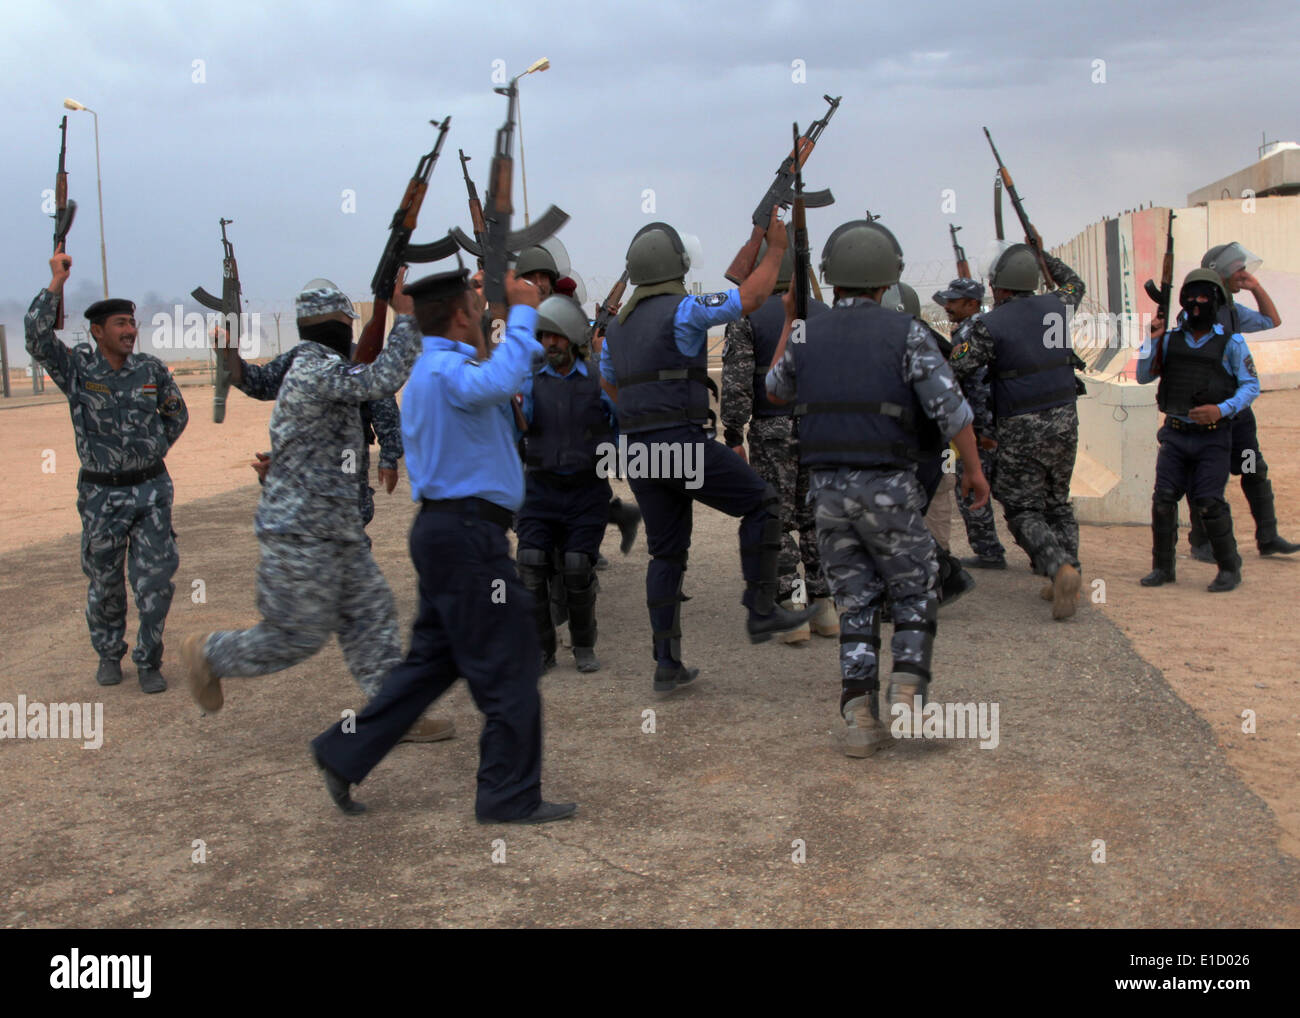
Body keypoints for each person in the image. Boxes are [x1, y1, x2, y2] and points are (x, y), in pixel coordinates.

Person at [309, 268, 576, 824]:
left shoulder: (436, 369)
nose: (483, 318)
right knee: (512, 659)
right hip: (467, 540)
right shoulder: (448, 369)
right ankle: (507, 795)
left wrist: (503, 312)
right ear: (459, 317)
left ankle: (344, 751)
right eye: (476, 310)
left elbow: (505, 382)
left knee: (431, 664)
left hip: (448, 537)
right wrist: (524, 309)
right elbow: (501, 383)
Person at [181, 277, 452, 739]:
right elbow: (380, 380)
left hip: (336, 527)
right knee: (297, 635)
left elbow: (259, 380)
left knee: (371, 615)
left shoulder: (308, 362)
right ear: (343, 326)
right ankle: (210, 655)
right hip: (301, 531)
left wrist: (233, 363)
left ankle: (394, 713)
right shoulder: (315, 369)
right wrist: (407, 318)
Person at [763, 220, 990, 756]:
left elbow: (775, 390)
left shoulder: (806, 334)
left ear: (832, 278)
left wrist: (793, 319)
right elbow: (950, 410)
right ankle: (907, 696)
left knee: (855, 601)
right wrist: (975, 470)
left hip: (827, 495)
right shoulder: (907, 333)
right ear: (888, 278)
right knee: (914, 589)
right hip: (887, 486)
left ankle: (859, 717)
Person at [599, 213, 818, 693]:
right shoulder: (683, 309)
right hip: (680, 443)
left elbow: (609, 383)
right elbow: (752, 298)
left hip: (639, 453)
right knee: (763, 503)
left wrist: (644, 418)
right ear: (675, 267)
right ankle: (762, 610)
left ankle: (667, 663)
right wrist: (776, 248)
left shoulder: (616, 328)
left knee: (666, 554)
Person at [25, 246, 187, 693]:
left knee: (155, 583)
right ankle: (108, 653)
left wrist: (151, 453)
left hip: (152, 491)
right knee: (106, 583)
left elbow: (176, 415)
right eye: (120, 324)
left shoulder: (151, 369)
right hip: (100, 496)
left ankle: (149, 660)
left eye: (133, 323)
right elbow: (37, 340)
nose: (130, 330)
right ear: (97, 331)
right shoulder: (78, 370)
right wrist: (56, 282)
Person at [948, 243, 1087, 619]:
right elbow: (1075, 283)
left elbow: (954, 368)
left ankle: (1059, 567)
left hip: (1021, 423)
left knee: (1022, 506)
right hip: (1066, 418)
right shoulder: (1060, 305)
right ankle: (1069, 572)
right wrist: (1045, 256)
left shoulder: (986, 325)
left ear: (999, 287)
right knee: (1057, 501)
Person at [721, 233, 836, 644]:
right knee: (816, 515)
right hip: (822, 429)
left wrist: (734, 431)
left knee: (777, 515)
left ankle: (792, 604)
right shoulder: (826, 314)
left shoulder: (748, 318)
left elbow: (736, 383)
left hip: (772, 427)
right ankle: (826, 607)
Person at [1136, 269, 1259, 592]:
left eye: (1204, 297)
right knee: (1163, 500)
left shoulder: (1231, 342)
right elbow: (1143, 376)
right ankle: (1163, 567)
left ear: (1216, 301)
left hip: (1213, 437)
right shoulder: (1170, 339)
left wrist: (1221, 409)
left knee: (1208, 502)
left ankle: (1229, 568)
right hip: (1176, 434)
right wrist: (1152, 340)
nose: (1195, 303)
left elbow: (1250, 386)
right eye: (1190, 297)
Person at [214, 332, 404, 533]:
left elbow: (386, 413)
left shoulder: (360, 358)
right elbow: (260, 383)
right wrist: (228, 353)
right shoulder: (300, 356)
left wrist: (389, 458)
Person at [517, 294, 618, 673]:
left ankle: (583, 645)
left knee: (577, 567)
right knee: (530, 565)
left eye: (557, 337)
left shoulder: (597, 382)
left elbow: (620, 427)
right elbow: (517, 427)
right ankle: (542, 650)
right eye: (544, 337)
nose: (550, 344)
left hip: (586, 493)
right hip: (539, 490)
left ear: (573, 339)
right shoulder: (529, 382)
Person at [1184, 242, 1297, 560]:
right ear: (1220, 274)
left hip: (1238, 414)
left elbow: (1271, 321)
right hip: (1208, 414)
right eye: (1239, 271)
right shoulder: (1191, 313)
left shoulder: (1232, 311)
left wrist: (1256, 288)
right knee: (1206, 476)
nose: (1243, 275)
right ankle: (1201, 541)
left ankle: (1268, 536)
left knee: (1252, 470)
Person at [933, 278, 1006, 570]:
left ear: (972, 303)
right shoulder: (984, 327)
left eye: (954, 301)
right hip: (992, 421)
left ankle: (988, 551)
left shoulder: (970, 333)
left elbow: (965, 381)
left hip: (977, 425)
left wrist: (980, 431)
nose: (948, 307)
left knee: (970, 487)